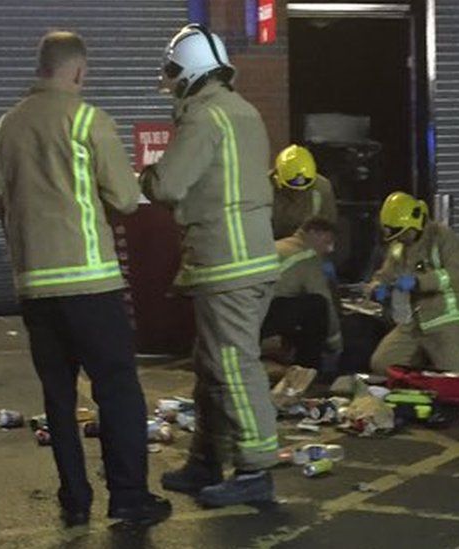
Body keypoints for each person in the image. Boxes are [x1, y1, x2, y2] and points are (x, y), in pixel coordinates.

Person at [0, 31, 170, 527]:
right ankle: (128, 498)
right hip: (91, 282)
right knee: (118, 389)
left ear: (41, 68)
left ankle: (75, 500)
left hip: (35, 288)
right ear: (78, 71)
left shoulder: (4, 127)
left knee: (59, 397)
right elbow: (126, 200)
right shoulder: (88, 120)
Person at [139, 24, 280, 508]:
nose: (172, 86)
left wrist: (144, 174)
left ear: (190, 73)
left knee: (233, 367)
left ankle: (255, 470)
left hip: (227, 263)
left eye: (175, 76)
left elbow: (169, 185)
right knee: (212, 367)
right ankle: (205, 460)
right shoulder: (242, 111)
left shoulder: (204, 116)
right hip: (253, 259)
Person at [366, 191, 459, 374]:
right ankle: (424, 367)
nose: (399, 238)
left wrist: (419, 282)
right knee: (382, 363)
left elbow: (457, 274)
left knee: (454, 376)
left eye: (402, 233)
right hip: (415, 321)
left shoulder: (443, 237)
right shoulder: (399, 247)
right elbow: (384, 275)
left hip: (447, 317)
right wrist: (377, 288)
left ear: (414, 224)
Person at [263, 217, 342, 373]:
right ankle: (308, 371)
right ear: (313, 233)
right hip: (262, 313)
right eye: (327, 242)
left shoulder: (281, 245)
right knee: (316, 306)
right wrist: (336, 344)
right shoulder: (307, 256)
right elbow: (324, 300)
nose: (330, 249)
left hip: (248, 308)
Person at [271, 145, 337, 240]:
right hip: (271, 244)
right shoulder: (263, 187)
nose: (298, 191)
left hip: (307, 246)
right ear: (277, 178)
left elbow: (328, 227)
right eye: (292, 188)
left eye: (304, 188)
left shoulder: (322, 188)